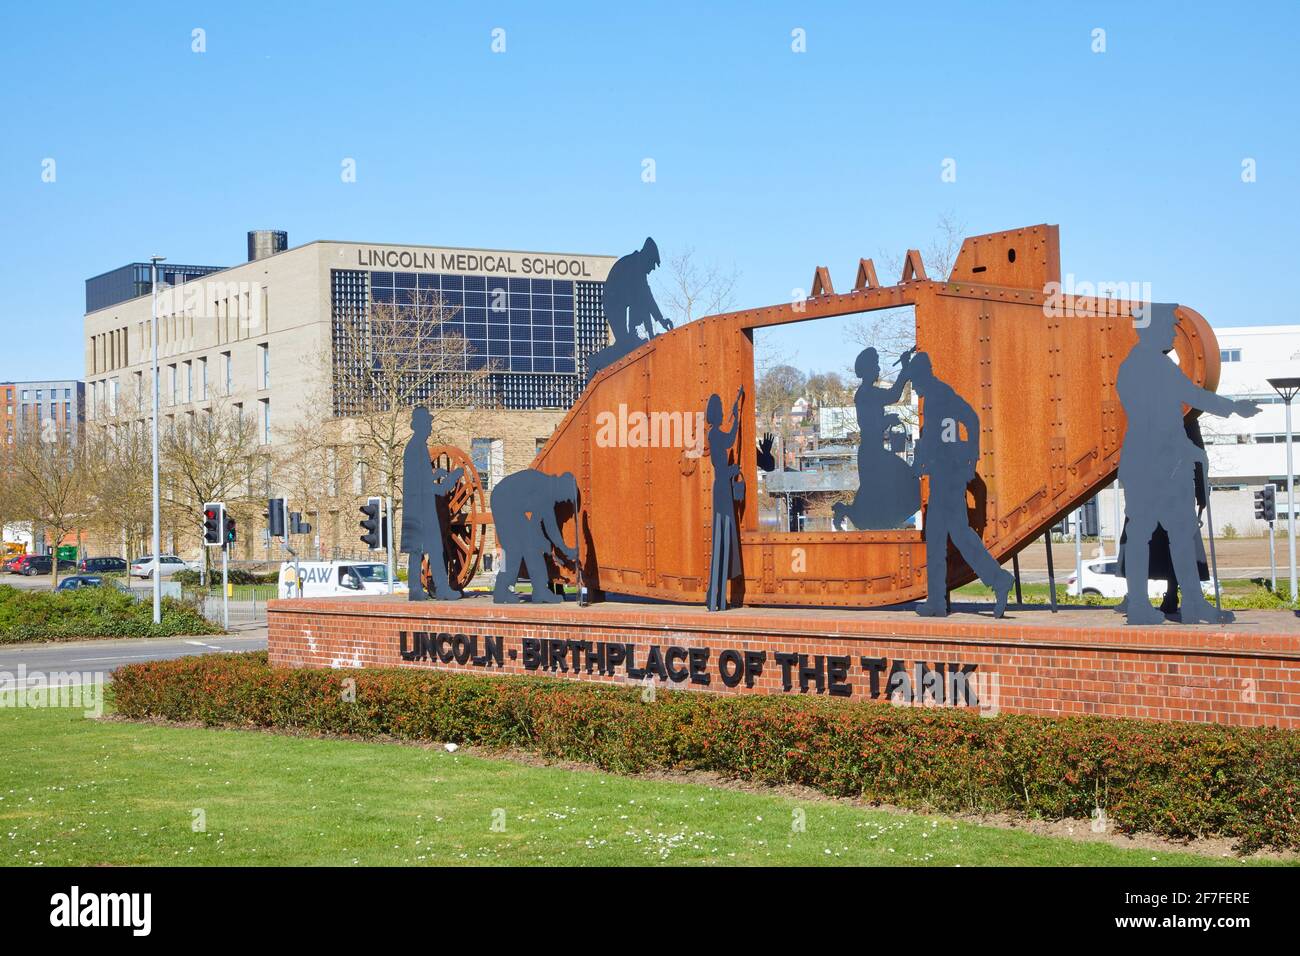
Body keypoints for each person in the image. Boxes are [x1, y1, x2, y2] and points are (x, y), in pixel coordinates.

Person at [1116, 304, 1258, 625]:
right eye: (1168, 326)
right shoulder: (1139, 368)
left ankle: (1192, 603)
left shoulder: (1160, 367)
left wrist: (1235, 408)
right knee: (1142, 534)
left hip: (1166, 466)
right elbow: (1157, 420)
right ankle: (1139, 605)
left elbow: (1192, 397)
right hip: (1149, 467)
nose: (1172, 333)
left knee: (1179, 533)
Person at [908, 351, 1014, 618]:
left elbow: (959, 427)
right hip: (948, 475)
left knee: (949, 537)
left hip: (945, 478)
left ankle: (991, 582)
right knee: (953, 536)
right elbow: (968, 421)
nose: (915, 388)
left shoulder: (936, 396)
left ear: (922, 375)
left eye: (914, 381)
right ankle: (942, 600)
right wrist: (968, 460)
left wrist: (967, 461)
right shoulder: (941, 394)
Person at [832, 347, 920, 530]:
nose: (879, 369)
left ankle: (855, 515)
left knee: (877, 495)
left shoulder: (865, 393)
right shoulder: (867, 394)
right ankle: (867, 519)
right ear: (868, 369)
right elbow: (892, 397)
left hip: (872, 453)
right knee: (910, 485)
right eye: (876, 365)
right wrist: (905, 368)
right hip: (873, 454)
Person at [586, 238, 673, 381]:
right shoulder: (633, 266)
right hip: (613, 303)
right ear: (647, 257)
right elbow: (644, 301)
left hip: (621, 302)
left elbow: (646, 298)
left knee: (625, 344)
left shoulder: (638, 267)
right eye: (652, 265)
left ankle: (598, 359)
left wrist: (660, 320)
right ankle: (597, 360)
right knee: (626, 345)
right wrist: (651, 334)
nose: (651, 270)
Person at [400, 406, 463, 601]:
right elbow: (428, 487)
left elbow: (419, 478)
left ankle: (415, 589)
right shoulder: (417, 447)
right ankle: (442, 589)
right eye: (428, 424)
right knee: (435, 548)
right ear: (420, 425)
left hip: (414, 507)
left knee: (416, 552)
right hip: (423, 509)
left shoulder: (413, 447)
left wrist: (435, 474)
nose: (430, 428)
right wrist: (452, 478)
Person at [491, 469, 580, 604]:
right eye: (567, 497)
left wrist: (557, 549)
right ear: (562, 487)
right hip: (504, 502)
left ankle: (537, 591)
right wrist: (565, 549)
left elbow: (536, 527)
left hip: (509, 503)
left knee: (530, 547)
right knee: (514, 550)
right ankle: (503, 591)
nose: (565, 500)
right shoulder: (546, 490)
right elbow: (550, 526)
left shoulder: (545, 485)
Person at [706, 388, 744, 611]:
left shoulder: (714, 434)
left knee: (722, 540)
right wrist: (734, 470)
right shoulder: (715, 435)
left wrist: (736, 417)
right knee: (722, 539)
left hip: (721, 490)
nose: (722, 413)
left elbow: (728, 440)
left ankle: (715, 597)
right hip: (722, 489)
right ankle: (716, 598)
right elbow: (728, 443)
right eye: (720, 410)